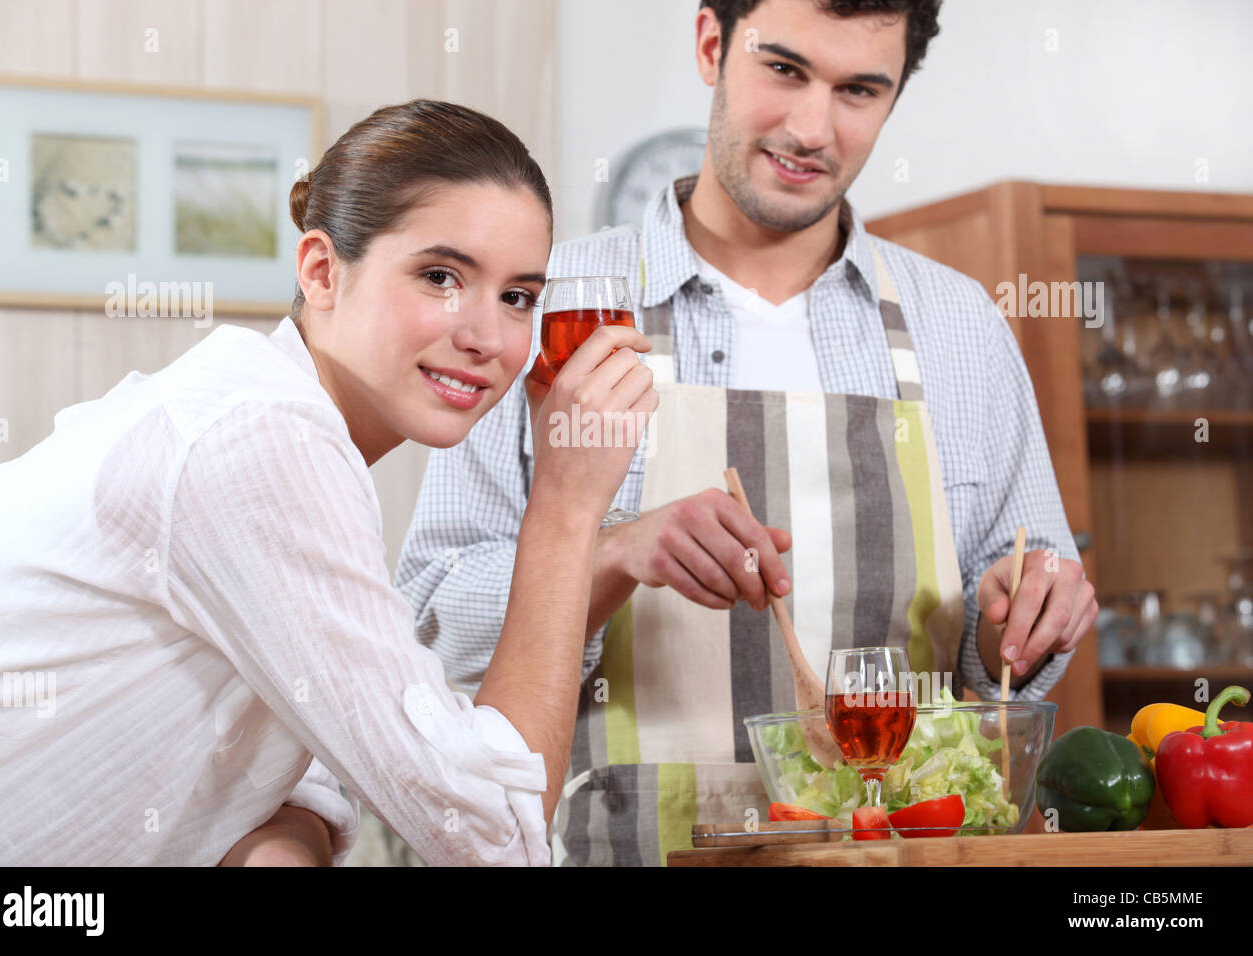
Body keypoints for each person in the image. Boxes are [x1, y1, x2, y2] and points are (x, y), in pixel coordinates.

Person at [397, 0, 1098, 866]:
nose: (812, 127)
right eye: (785, 69)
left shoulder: (962, 327)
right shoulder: (545, 302)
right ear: (710, 46)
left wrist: (1017, 622)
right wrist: (610, 554)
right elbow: (430, 625)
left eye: (859, 90)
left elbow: (1008, 655)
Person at [0, 100, 657, 866]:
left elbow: (312, 716)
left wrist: (292, 830)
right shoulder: (257, 441)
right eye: (440, 276)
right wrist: (566, 506)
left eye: (517, 296)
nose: (486, 337)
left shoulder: (271, 416)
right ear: (322, 271)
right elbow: (494, 836)